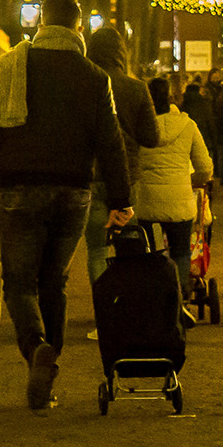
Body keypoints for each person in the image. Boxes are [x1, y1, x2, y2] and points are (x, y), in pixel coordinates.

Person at [0, 0, 132, 411]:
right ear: (77, 29)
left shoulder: (13, 67)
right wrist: (121, 199)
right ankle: (48, 367)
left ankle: (36, 348)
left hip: (18, 189)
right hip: (74, 192)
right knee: (54, 280)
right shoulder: (94, 77)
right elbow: (110, 143)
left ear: (40, 24)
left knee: (19, 282)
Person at [83, 26, 162, 285]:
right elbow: (152, 137)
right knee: (129, 245)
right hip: (128, 176)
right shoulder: (136, 88)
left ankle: (104, 312)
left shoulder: (85, 85)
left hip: (91, 175)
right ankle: (129, 304)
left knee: (96, 249)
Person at [133, 75, 212, 312]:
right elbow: (205, 168)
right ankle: (178, 299)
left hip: (146, 200)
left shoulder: (140, 128)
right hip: (179, 199)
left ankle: (151, 296)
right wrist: (191, 181)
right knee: (180, 249)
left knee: (147, 251)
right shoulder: (187, 126)